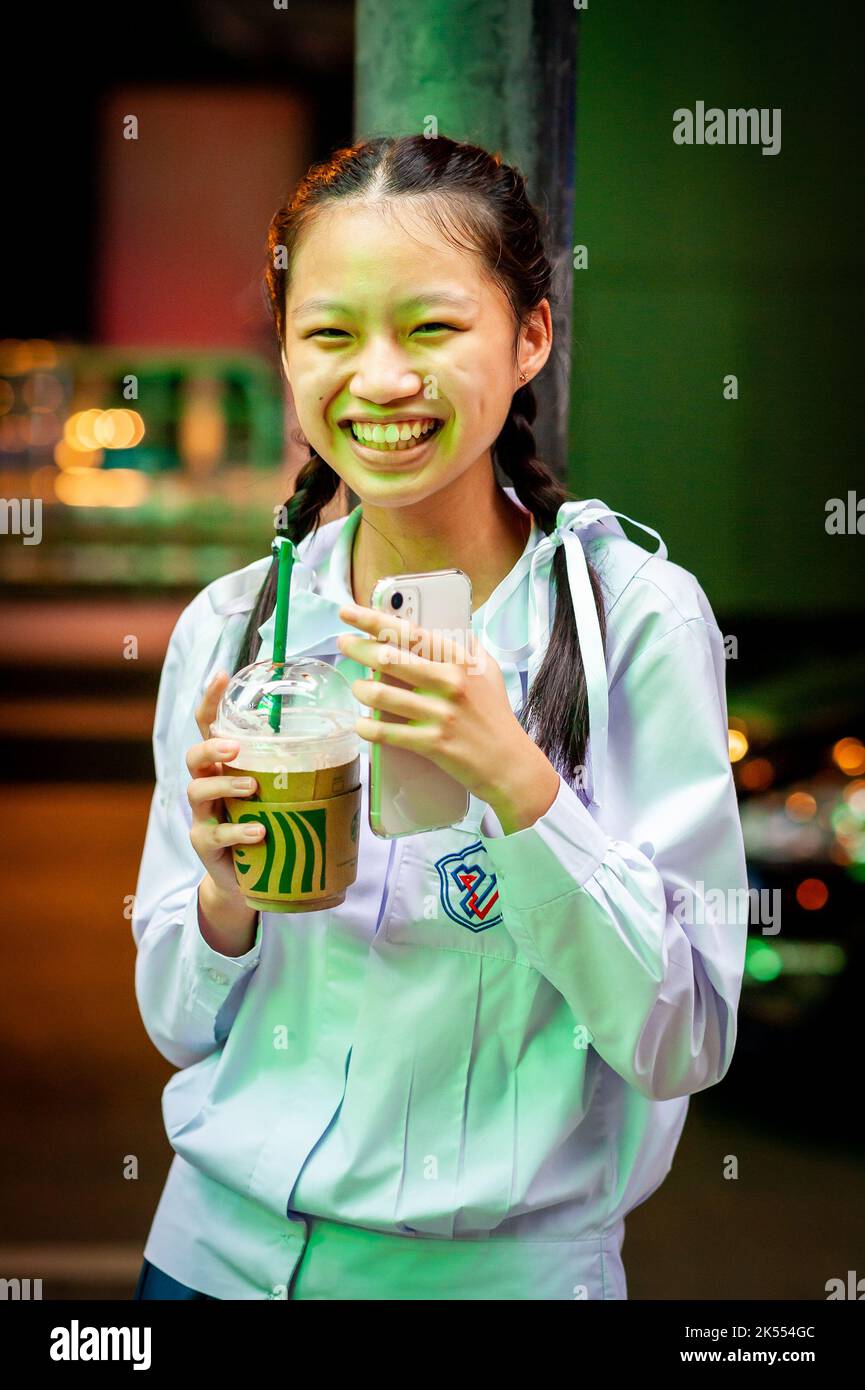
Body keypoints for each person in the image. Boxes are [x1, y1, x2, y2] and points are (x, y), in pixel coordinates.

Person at [131, 134, 748, 1301]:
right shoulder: (233, 628)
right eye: (329, 333)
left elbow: (686, 1039)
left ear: (528, 339)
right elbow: (175, 1022)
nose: (377, 379)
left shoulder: (635, 622)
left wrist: (518, 784)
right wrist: (218, 901)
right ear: (284, 351)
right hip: (210, 1264)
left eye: (430, 329)